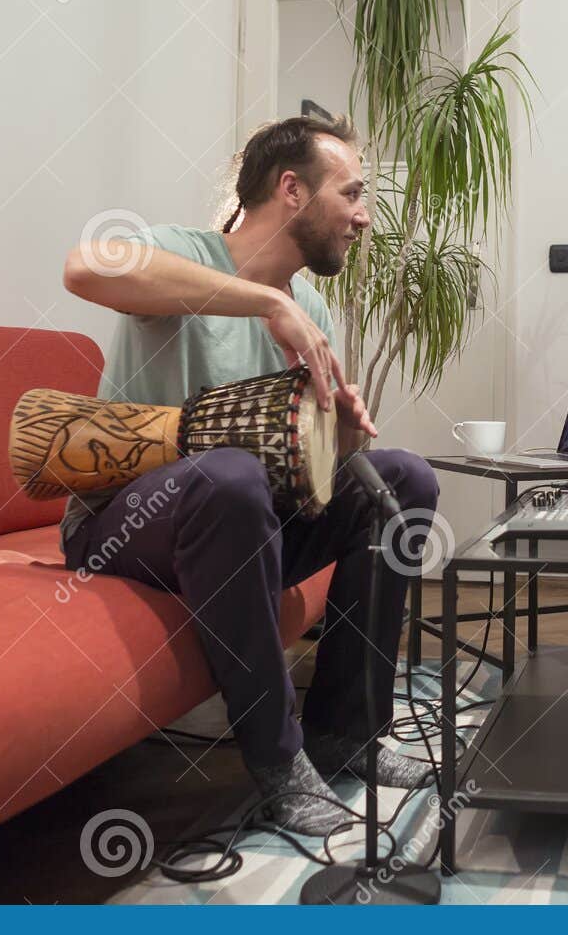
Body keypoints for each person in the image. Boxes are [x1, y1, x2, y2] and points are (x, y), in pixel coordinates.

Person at [59, 113, 438, 834]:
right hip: (122, 527)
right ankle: (277, 762)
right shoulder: (182, 251)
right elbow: (83, 267)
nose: (363, 216)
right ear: (292, 190)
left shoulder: (311, 304)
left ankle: (346, 733)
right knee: (228, 476)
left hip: (244, 524)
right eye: (351, 193)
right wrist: (265, 301)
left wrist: (340, 438)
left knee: (401, 478)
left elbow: (302, 469)